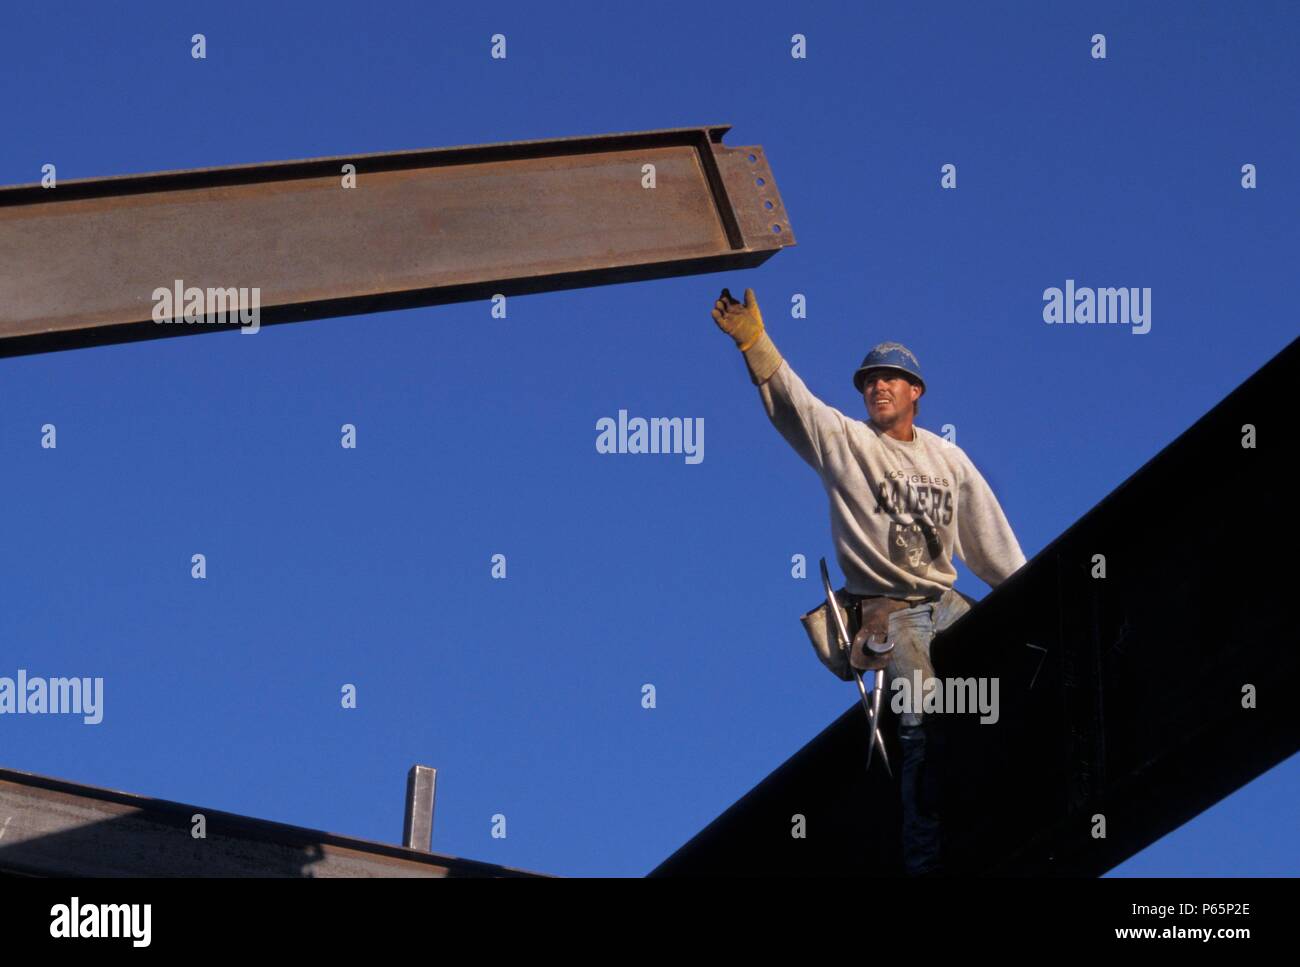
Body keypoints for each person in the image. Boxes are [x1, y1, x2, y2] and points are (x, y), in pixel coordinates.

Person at [710, 286, 1027, 875]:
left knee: (1014, 676)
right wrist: (755, 342)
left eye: (889, 379)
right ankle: (925, 861)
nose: (876, 387)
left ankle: (1007, 806)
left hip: (948, 602)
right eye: (868, 381)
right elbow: (795, 406)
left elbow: (991, 543)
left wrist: (1036, 599)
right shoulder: (848, 444)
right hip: (895, 614)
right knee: (922, 724)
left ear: (916, 393)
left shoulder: (947, 460)